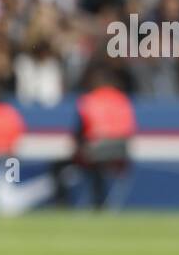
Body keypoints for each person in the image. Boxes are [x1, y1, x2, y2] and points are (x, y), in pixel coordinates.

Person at [51, 66, 136, 209]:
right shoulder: (122, 99)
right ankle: (99, 202)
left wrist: (78, 148)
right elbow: (129, 129)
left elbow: (80, 131)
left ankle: (63, 204)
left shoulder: (89, 100)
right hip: (122, 150)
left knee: (63, 165)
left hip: (96, 149)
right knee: (96, 163)